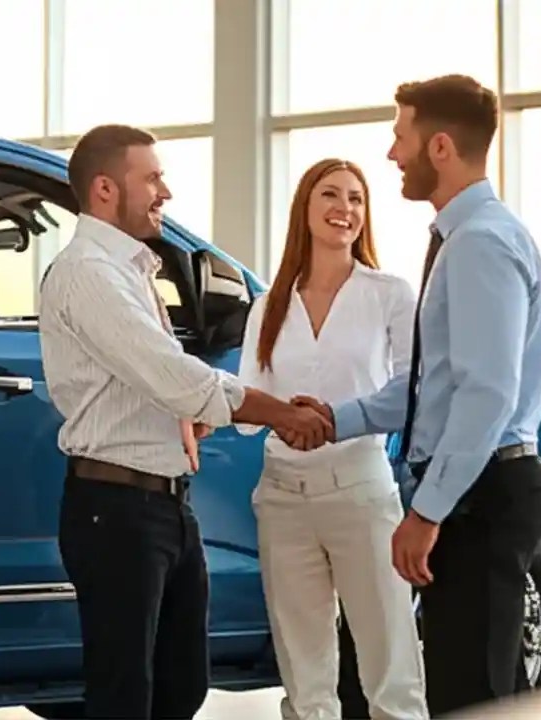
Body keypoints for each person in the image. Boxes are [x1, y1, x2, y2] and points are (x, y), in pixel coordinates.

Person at [38, 123, 332, 720]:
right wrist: (277, 413)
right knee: (126, 698)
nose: (164, 192)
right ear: (103, 189)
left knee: (181, 687)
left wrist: (191, 417)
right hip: (115, 510)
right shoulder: (89, 272)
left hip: (164, 505)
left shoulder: (131, 269)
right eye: (150, 178)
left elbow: (151, 383)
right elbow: (173, 376)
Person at [294, 74, 541, 717]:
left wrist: (428, 511)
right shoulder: (465, 238)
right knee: (463, 687)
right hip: (477, 490)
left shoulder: (479, 245)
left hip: (481, 497)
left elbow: (486, 396)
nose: (392, 155)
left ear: (439, 147)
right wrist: (334, 419)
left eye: (399, 137)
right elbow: (428, 391)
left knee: (471, 695)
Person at [236, 157, 428, 720]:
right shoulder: (269, 306)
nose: (344, 209)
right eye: (330, 195)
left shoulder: (389, 293)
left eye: (356, 199)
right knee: (305, 679)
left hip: (362, 493)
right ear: (305, 206)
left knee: (391, 669)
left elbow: (411, 389)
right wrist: (277, 417)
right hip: (282, 497)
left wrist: (333, 417)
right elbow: (249, 408)